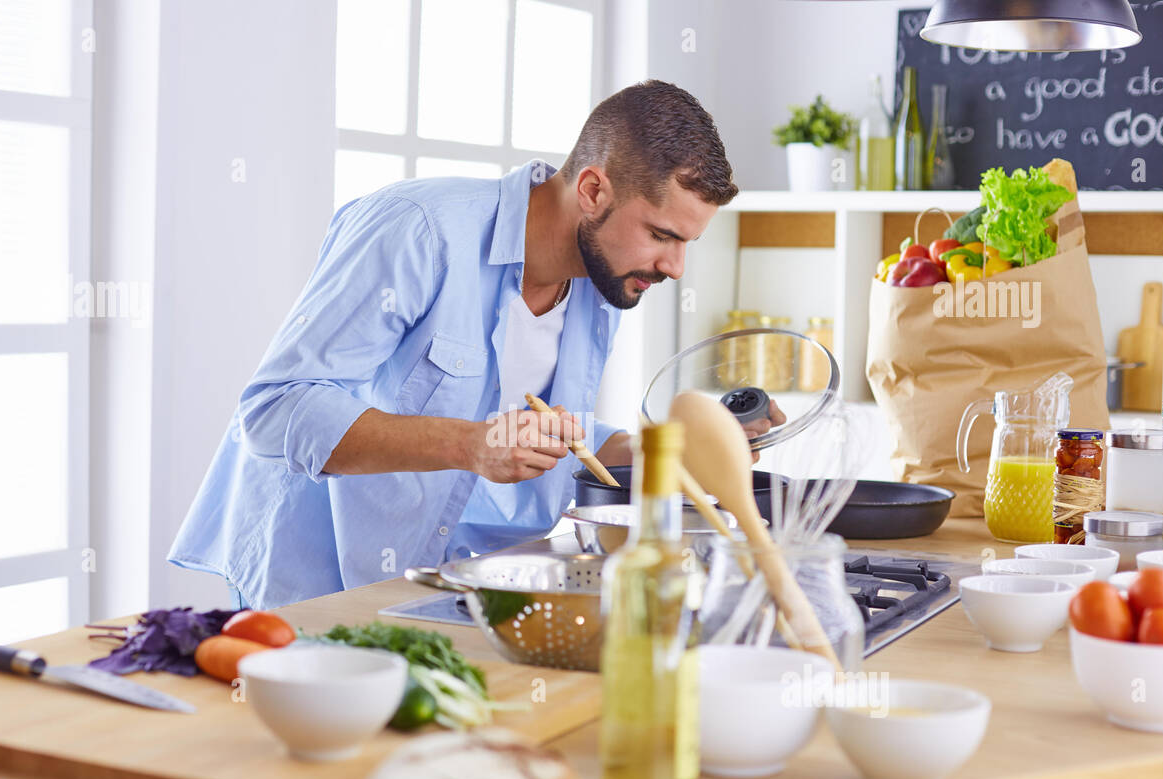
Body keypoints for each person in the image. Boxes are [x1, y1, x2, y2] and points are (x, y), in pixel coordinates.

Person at [168, 80, 783, 610]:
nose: (675, 267)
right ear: (594, 190)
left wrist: (677, 452)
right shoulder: (419, 229)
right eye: (661, 235)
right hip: (313, 585)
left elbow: (557, 436)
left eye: (686, 244)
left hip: (440, 581)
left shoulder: (603, 283)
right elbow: (276, 411)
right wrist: (471, 445)